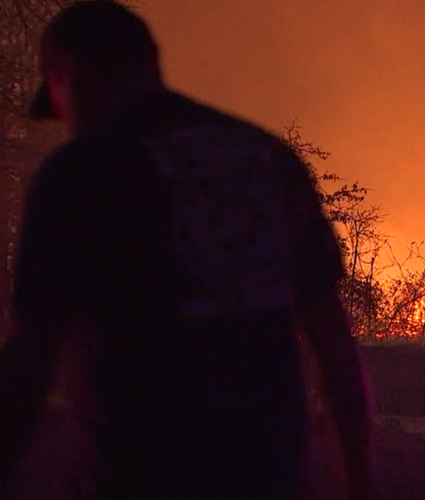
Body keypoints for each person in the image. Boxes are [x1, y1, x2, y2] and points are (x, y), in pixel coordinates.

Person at [0, 1, 378, 498]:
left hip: (140, 477)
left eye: (58, 100)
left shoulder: (80, 174)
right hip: (269, 476)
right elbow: (333, 346)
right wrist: (361, 484)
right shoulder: (264, 158)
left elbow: (30, 362)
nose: (66, 121)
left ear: (65, 73)